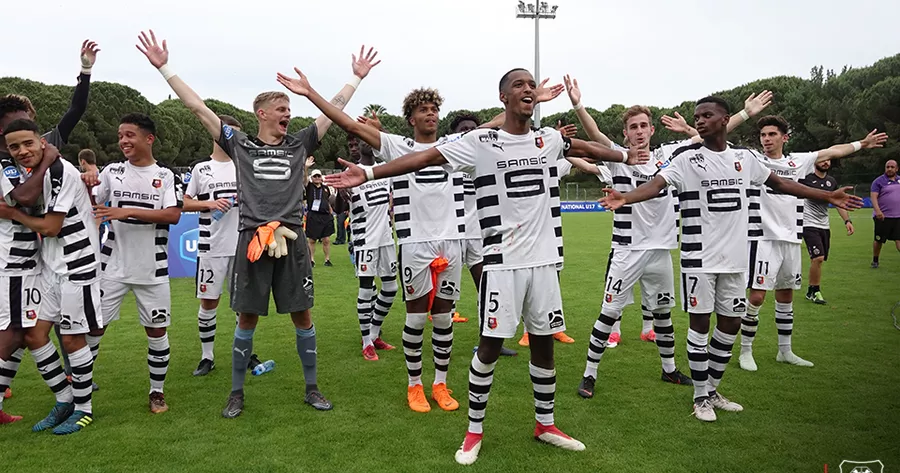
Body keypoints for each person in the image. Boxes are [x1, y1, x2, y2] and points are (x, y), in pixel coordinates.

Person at [323, 68, 652, 465]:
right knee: (491, 346)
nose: (528, 89)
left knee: (544, 344)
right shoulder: (480, 142)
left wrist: (623, 155)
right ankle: (473, 431)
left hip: (544, 264)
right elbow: (425, 157)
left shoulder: (548, 139)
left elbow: (586, 149)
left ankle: (545, 424)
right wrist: (371, 172)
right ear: (503, 98)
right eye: (519, 85)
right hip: (500, 264)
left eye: (531, 84)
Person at [137, 30, 380, 417]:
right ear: (262, 114)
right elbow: (198, 108)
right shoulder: (241, 144)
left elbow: (331, 112)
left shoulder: (300, 143)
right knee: (247, 316)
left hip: (292, 238)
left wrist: (356, 77)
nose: (288, 113)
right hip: (251, 239)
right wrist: (165, 67)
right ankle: (236, 391)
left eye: (289, 108)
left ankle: (312, 387)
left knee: (303, 314)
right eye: (281, 108)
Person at [599, 96, 862, 422]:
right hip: (699, 260)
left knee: (730, 325)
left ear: (724, 120)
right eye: (697, 116)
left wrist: (827, 195)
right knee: (699, 327)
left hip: (736, 261)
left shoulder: (745, 158)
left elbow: (781, 184)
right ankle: (700, 399)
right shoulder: (686, 160)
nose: (700, 120)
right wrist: (625, 197)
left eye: (707, 115)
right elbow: (655, 185)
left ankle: (711, 389)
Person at [664, 113, 886, 371]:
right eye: (763, 135)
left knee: (785, 295)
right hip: (761, 238)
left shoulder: (798, 161)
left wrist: (862, 143)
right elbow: (716, 141)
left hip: (791, 237)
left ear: (784, 137)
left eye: (772, 134)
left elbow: (833, 150)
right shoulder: (752, 159)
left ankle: (785, 350)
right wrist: (687, 129)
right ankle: (746, 351)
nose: (766, 139)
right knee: (756, 297)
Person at [0, 39, 99, 421]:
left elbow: (76, 108)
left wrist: (85, 71)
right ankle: (69, 399)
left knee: (38, 335)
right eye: (12, 134)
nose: (23, 142)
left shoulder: (48, 149)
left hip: (53, 258)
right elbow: (24, 198)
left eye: (29, 127)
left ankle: (76, 402)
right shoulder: (11, 158)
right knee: (18, 336)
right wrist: (46, 162)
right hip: (18, 259)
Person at [90, 113, 182, 414]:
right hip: (111, 266)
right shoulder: (112, 172)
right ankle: (79, 390)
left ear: (149, 138)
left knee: (156, 331)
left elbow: (172, 215)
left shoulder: (167, 176)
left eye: (129, 135)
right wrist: (88, 179)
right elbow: (91, 200)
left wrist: (125, 211)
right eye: (120, 135)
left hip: (152, 270)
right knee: (93, 329)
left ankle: (157, 392)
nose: (123, 141)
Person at [182, 114, 243, 376]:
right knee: (209, 302)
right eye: (228, 133)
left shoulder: (244, 166)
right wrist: (208, 204)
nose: (233, 140)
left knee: (243, 305)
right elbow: (183, 202)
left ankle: (246, 351)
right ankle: (207, 356)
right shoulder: (201, 169)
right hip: (211, 247)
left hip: (242, 246)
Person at [335, 133, 398, 360]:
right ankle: (366, 342)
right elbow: (338, 206)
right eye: (360, 141)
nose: (365, 143)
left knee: (391, 289)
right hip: (364, 240)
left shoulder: (385, 170)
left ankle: (374, 333)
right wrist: (341, 195)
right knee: (366, 288)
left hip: (386, 239)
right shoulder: (351, 172)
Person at [800, 159, 854, 304]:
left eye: (828, 160)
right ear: (815, 162)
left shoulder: (831, 182)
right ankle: (816, 291)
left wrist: (847, 221)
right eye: (823, 160)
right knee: (818, 257)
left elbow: (839, 203)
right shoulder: (806, 178)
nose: (825, 163)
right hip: (808, 223)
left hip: (824, 225)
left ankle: (811, 290)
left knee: (818, 260)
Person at [871, 159, 900, 267]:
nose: (889, 169)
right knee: (879, 240)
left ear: (896, 169)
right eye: (887, 167)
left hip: (898, 217)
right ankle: (875, 260)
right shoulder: (878, 181)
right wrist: (878, 211)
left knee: (899, 240)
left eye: (892, 167)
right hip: (883, 217)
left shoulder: (899, 181)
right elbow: (873, 197)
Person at [305, 168, 335, 267]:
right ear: (312, 178)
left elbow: (327, 201)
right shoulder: (309, 187)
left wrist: (330, 212)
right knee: (312, 240)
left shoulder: (326, 188)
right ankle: (311, 260)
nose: (317, 178)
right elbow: (304, 180)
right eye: (315, 176)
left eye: (319, 176)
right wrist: (306, 168)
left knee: (326, 239)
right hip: (313, 215)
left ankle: (327, 259)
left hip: (325, 216)